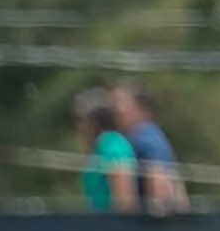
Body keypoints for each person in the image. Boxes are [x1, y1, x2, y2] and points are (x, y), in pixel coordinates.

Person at [112, 82, 189, 215]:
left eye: (121, 102)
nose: (115, 110)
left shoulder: (145, 139)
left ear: (141, 107)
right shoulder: (153, 136)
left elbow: (160, 180)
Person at [76, 87, 139, 213]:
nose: (79, 127)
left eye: (81, 121)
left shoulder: (114, 147)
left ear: (93, 121)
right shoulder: (101, 147)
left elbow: (125, 202)